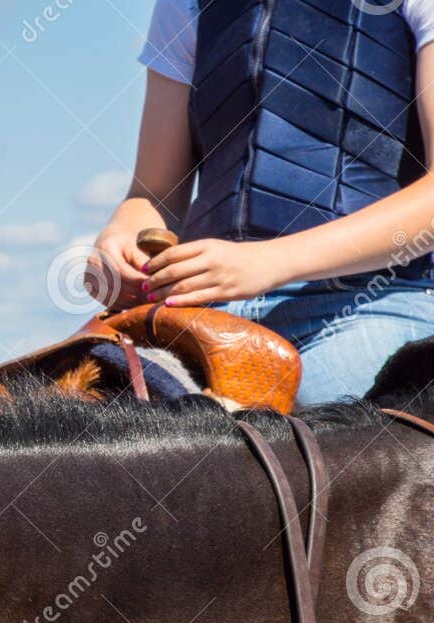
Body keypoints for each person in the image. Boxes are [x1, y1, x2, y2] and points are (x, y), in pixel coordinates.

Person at [88, 0, 434, 404]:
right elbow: (155, 193)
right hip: (199, 310)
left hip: (370, 303)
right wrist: (119, 238)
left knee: (328, 423)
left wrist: (268, 263)